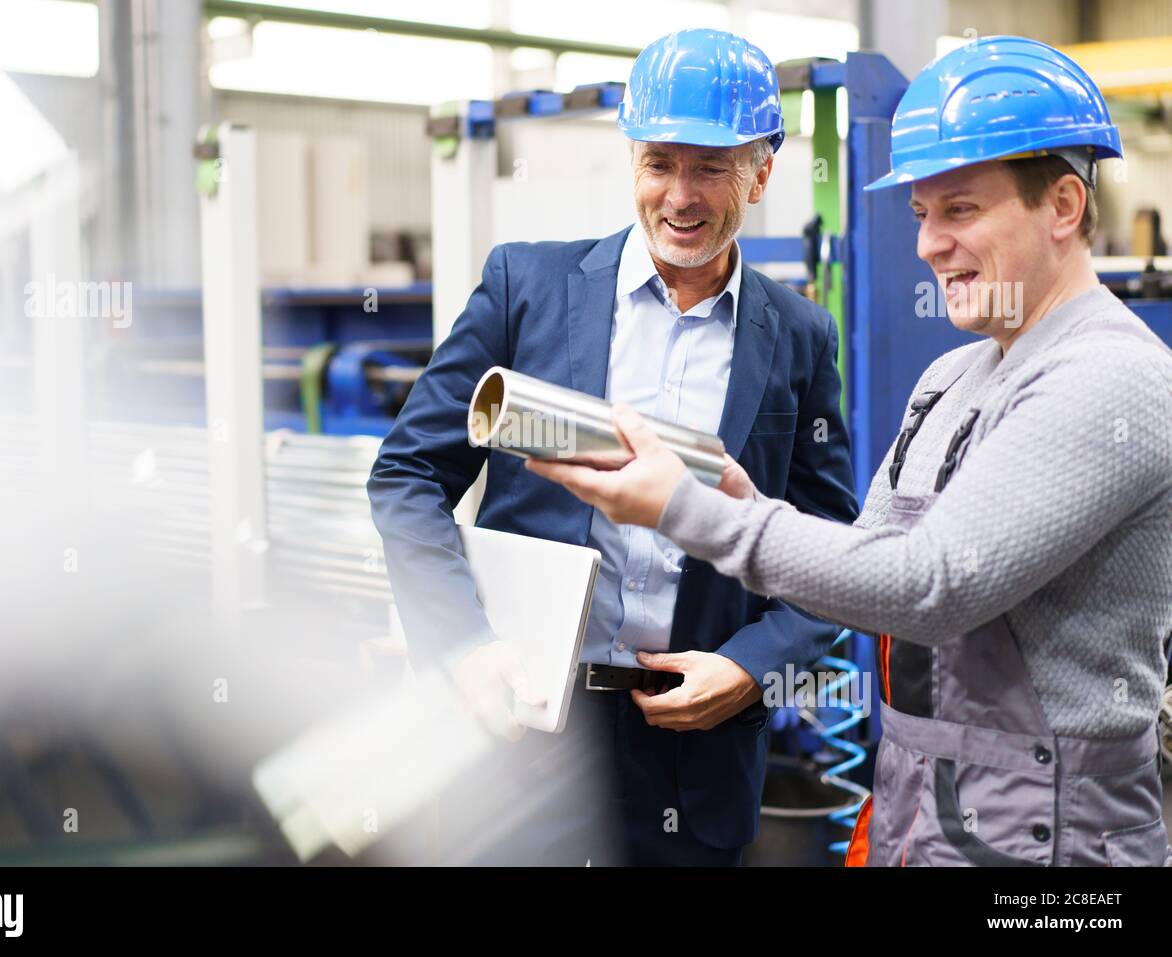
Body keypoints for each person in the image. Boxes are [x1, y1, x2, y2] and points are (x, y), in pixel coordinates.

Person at [528, 35, 1172, 867]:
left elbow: (929, 585)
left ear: (1062, 206)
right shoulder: (950, 378)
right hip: (924, 820)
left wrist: (686, 511)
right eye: (921, 214)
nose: (929, 245)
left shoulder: (1112, 378)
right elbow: (865, 562)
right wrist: (745, 505)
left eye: (961, 210)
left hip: (1056, 851)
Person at [367, 29, 858, 865]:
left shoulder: (801, 335)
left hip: (695, 748)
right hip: (526, 728)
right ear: (632, 156)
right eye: (660, 161)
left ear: (764, 173)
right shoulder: (527, 288)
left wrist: (749, 667)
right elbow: (408, 472)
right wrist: (461, 643)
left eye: (712, 167)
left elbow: (830, 547)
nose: (681, 194)